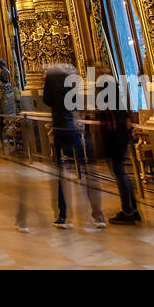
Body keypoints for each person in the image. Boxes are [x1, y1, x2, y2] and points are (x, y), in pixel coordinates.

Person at [43, 62, 104, 229]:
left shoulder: (50, 78)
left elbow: (46, 99)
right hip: (73, 128)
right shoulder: (71, 80)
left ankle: (62, 216)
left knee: (60, 174)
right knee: (86, 172)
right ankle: (97, 215)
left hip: (58, 129)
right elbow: (76, 103)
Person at [94, 62, 140, 225]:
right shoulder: (111, 85)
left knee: (119, 173)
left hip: (114, 135)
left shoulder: (105, 87)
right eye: (96, 68)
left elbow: (108, 114)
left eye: (101, 67)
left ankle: (128, 211)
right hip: (119, 133)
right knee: (121, 173)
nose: (98, 71)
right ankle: (133, 209)